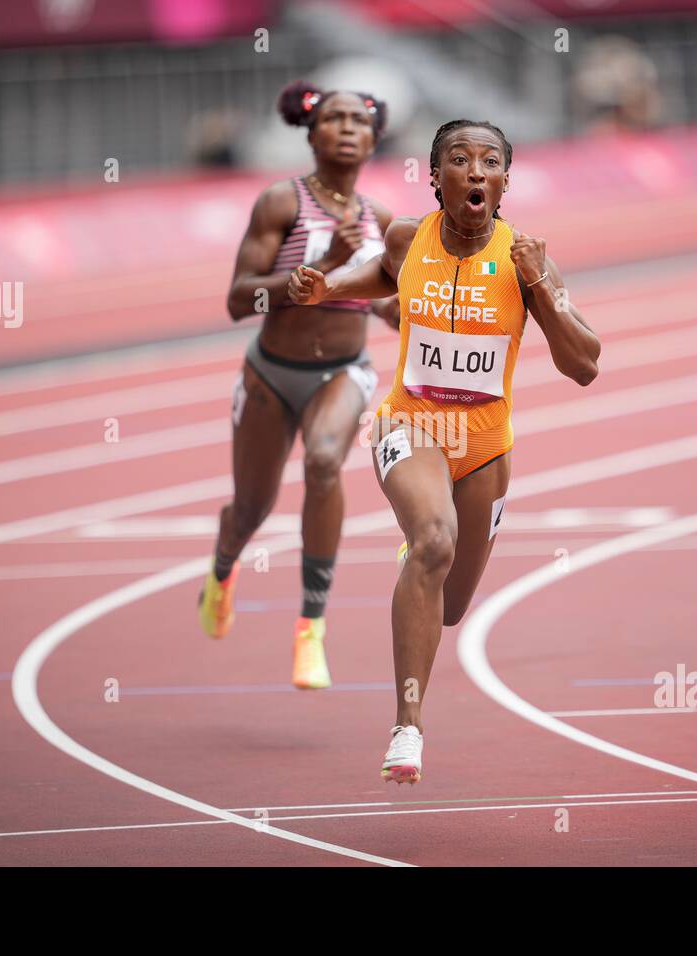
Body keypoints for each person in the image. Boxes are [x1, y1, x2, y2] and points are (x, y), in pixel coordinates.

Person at [289, 119, 601, 782]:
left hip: (484, 447)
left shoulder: (526, 258)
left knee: (451, 606)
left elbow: (585, 365)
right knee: (434, 541)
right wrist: (331, 289)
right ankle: (408, 728)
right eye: (460, 159)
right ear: (435, 177)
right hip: (412, 426)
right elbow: (381, 272)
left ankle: (426, 551)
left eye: (490, 161)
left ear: (505, 181)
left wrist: (539, 284)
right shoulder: (410, 236)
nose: (476, 170)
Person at [198, 81, 397, 690]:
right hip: (270, 375)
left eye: (357, 121)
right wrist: (313, 275)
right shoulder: (281, 204)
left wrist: (412, 310)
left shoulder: (383, 222)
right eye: (332, 118)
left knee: (324, 460)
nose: (345, 128)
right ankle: (224, 566)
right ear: (310, 134)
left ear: (372, 139)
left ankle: (311, 627)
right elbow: (238, 300)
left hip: (342, 371)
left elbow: (388, 303)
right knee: (251, 508)